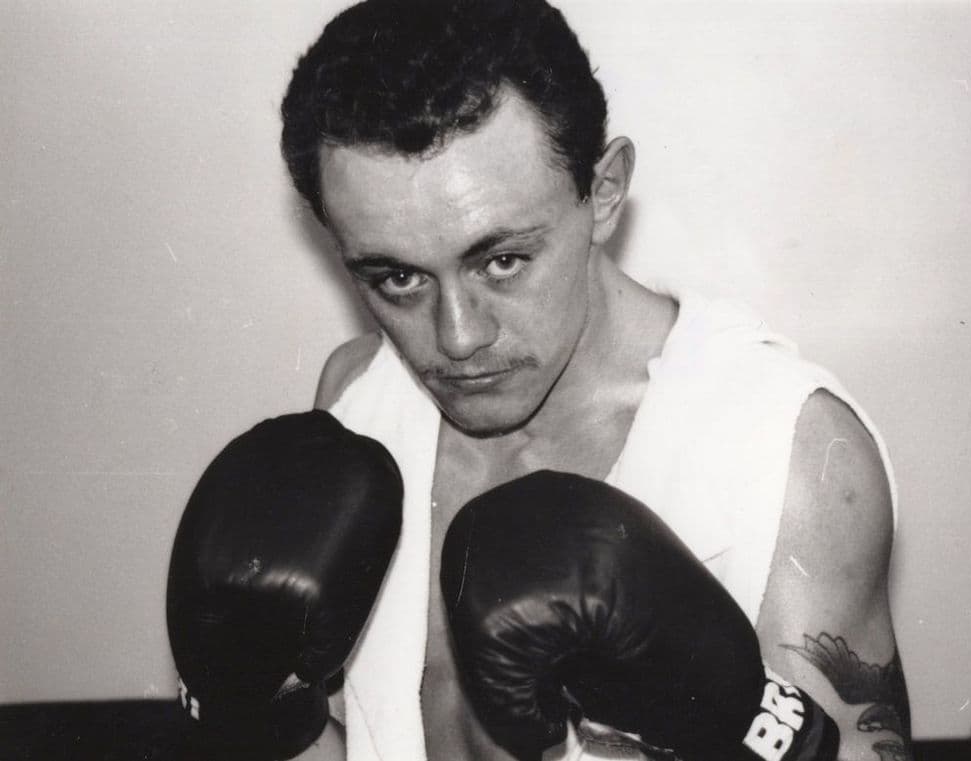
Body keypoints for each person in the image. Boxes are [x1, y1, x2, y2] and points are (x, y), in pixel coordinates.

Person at [278, 1, 912, 759]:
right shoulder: (358, 402)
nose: (458, 337)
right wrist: (267, 711)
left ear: (604, 190)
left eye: (502, 259)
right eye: (398, 278)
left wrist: (747, 715)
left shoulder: (788, 455)